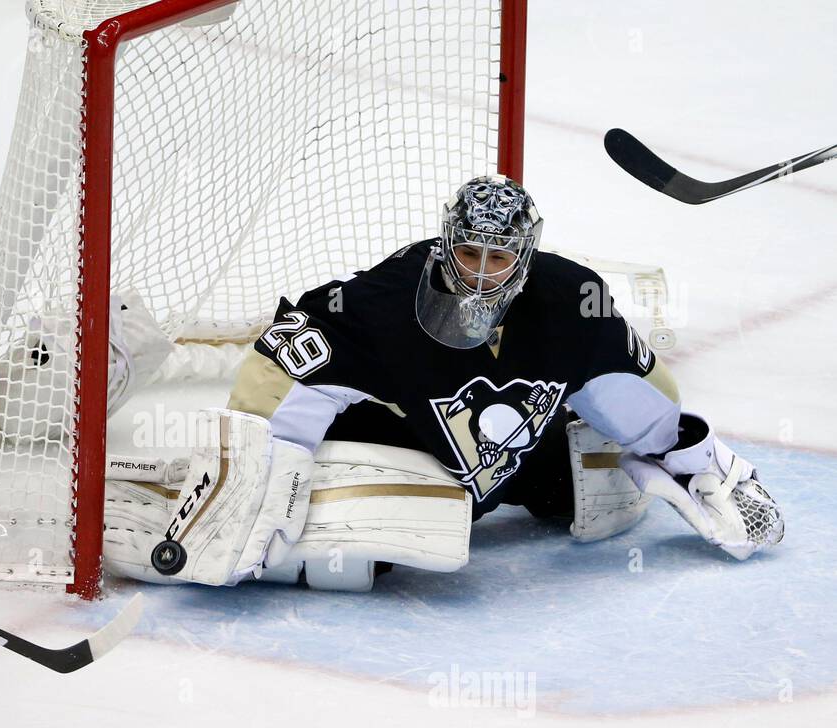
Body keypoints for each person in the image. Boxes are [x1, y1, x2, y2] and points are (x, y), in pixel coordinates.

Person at [105, 175, 783, 588]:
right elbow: (283, 362)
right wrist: (256, 464)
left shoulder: (571, 297)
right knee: (356, 559)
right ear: (444, 242)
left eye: (500, 255)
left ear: (528, 251)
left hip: (513, 459)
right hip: (415, 447)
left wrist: (701, 464)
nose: (483, 272)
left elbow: (648, 402)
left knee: (580, 490)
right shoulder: (386, 299)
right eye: (469, 251)